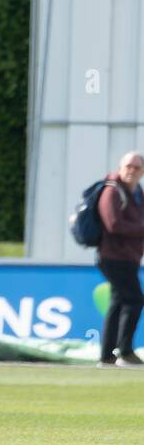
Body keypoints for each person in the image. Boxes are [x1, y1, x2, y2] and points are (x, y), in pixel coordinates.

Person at [96, 151, 144, 368]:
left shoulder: (137, 193)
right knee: (134, 299)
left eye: (137, 167)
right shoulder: (112, 191)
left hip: (130, 258)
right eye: (128, 166)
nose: (132, 170)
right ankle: (124, 351)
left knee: (118, 303)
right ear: (120, 167)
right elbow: (113, 224)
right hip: (113, 257)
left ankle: (107, 356)